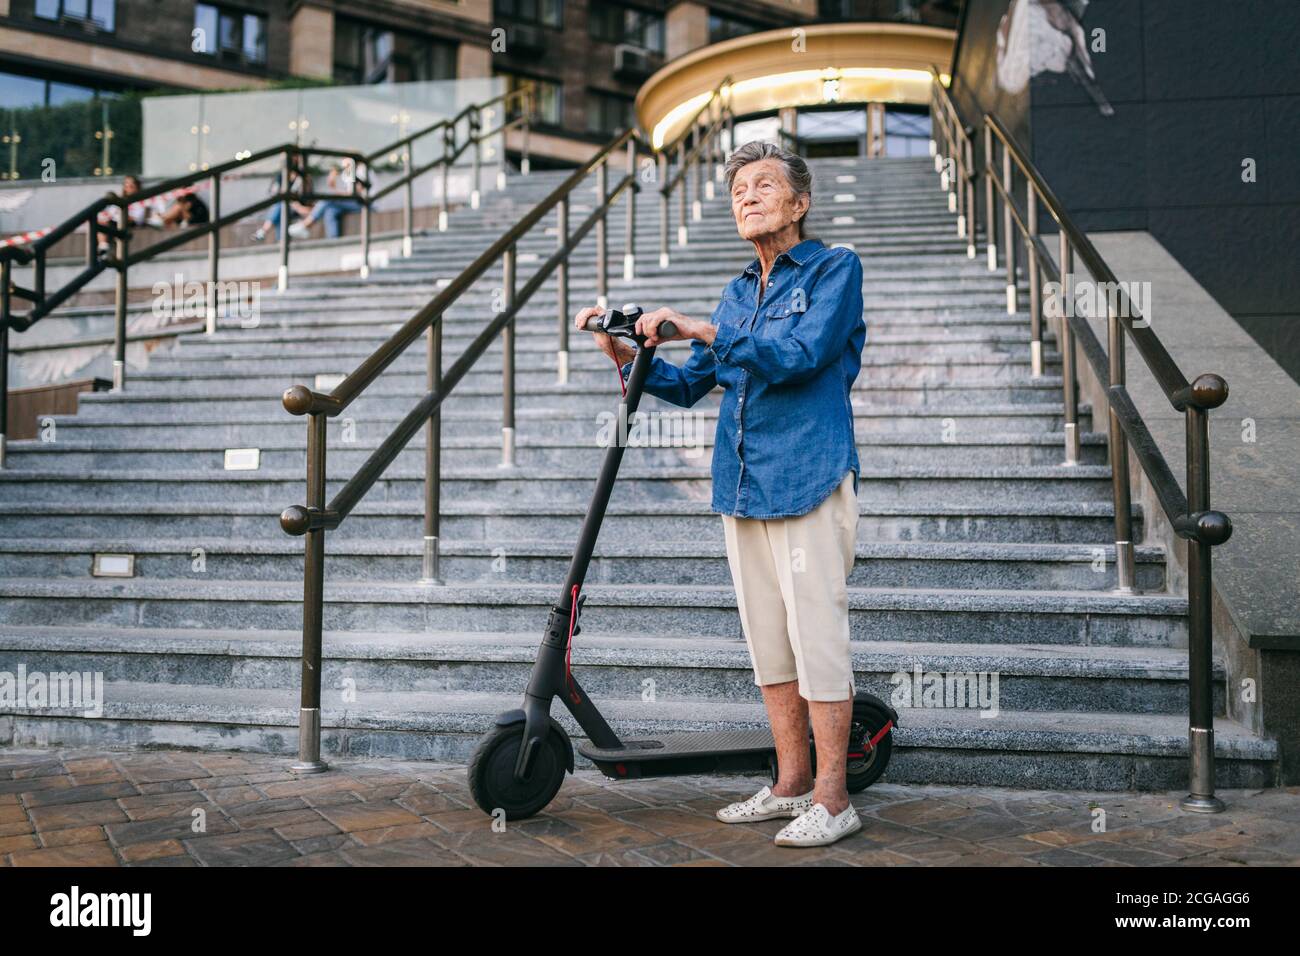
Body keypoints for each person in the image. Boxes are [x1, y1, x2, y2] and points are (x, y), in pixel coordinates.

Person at [575, 140, 866, 848]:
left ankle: (835, 797)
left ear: (799, 203)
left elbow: (798, 358)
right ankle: (790, 783)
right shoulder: (739, 291)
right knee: (770, 644)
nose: (748, 197)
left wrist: (704, 327)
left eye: (764, 185)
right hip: (743, 485)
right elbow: (693, 383)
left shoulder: (834, 269)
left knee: (817, 641)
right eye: (739, 190)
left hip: (809, 475)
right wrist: (627, 357)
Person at [298, 159, 363, 239]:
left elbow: (353, 194)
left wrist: (334, 190)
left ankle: (305, 225)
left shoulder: (360, 170)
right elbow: (345, 192)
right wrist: (333, 182)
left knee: (327, 199)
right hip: (354, 202)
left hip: (364, 203)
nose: (343, 164)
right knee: (330, 210)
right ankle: (333, 241)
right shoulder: (349, 172)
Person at [249, 162, 313, 242]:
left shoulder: (301, 180)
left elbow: (306, 199)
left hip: (297, 208)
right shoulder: (281, 178)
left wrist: (296, 205)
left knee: (280, 207)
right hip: (286, 206)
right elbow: (273, 192)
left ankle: (264, 232)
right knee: (280, 208)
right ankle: (280, 241)